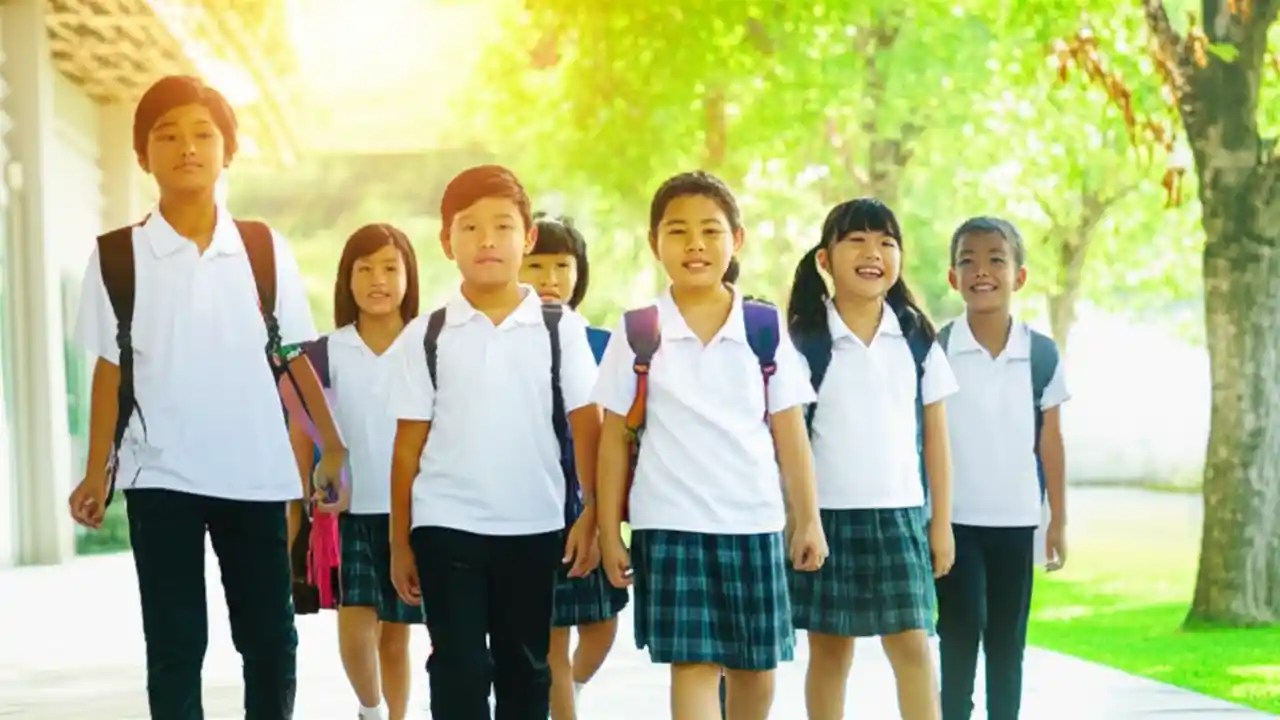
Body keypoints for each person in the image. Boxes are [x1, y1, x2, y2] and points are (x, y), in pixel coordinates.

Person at [67, 74, 343, 720]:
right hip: (158, 473)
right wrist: (94, 468)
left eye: (202, 134)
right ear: (143, 156)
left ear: (227, 150)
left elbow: (294, 356)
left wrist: (334, 445)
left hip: (254, 473)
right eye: (167, 136)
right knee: (174, 644)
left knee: (270, 640)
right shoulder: (117, 257)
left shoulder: (261, 249)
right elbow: (110, 368)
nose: (186, 147)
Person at [594, 170, 828, 720]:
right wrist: (609, 532)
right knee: (693, 667)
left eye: (710, 231)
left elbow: (791, 433)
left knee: (756, 673)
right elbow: (614, 441)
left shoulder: (764, 329)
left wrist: (809, 519)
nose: (694, 245)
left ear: (736, 240)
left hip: (753, 521)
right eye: (677, 232)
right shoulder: (638, 331)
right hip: (670, 525)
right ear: (655, 245)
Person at [388, 165, 602, 720]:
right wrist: (399, 542)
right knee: (458, 668)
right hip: (445, 525)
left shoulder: (561, 329)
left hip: (533, 523)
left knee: (526, 668)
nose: (487, 240)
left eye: (503, 226)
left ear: (526, 237)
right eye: (469, 227)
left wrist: (594, 515)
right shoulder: (428, 334)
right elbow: (407, 447)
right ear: (446, 241)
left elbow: (587, 426)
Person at [786, 197, 957, 720]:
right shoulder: (804, 341)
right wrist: (801, 521)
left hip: (901, 514)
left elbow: (937, 437)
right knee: (831, 651)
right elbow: (789, 442)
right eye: (856, 241)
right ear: (825, 259)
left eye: (886, 242)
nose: (873, 253)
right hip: (827, 519)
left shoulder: (916, 337)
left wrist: (941, 523)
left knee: (912, 646)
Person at [935, 216, 1070, 720]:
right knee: (958, 637)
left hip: (1018, 522)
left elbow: (1051, 441)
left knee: (1007, 646)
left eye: (996, 259)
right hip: (954, 525)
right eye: (967, 261)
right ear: (953, 278)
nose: (981, 271)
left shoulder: (1040, 354)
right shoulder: (939, 348)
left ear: (1019, 276)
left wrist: (1058, 518)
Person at [289, 223, 423, 720]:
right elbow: (303, 432)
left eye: (390, 267)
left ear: (409, 275)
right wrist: (300, 502)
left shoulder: (428, 342)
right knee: (355, 619)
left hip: (411, 512)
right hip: (348, 512)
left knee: (396, 633)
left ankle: (397, 716)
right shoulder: (325, 352)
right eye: (364, 269)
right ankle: (370, 709)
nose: (377, 279)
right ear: (346, 280)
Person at [519, 214, 627, 720]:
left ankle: (566, 691)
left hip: (590, 503)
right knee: (551, 643)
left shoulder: (603, 342)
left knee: (604, 626)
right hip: (536, 506)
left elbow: (615, 432)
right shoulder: (507, 339)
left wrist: (603, 513)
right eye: (535, 265)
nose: (550, 278)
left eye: (562, 265)